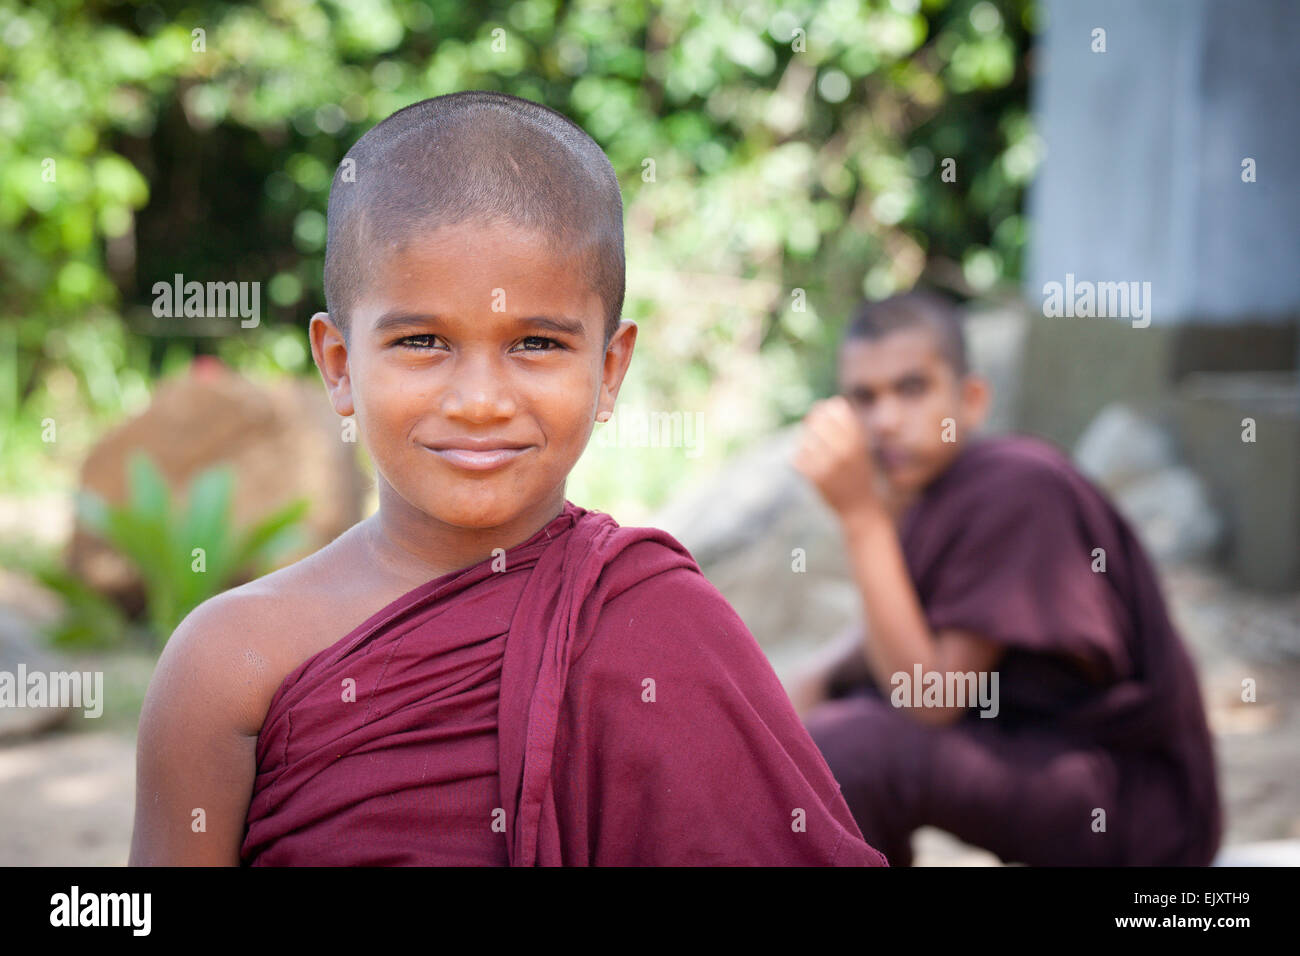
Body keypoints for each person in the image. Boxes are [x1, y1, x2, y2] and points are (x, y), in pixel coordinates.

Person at [129, 91, 887, 867]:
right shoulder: (229, 662)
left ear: (609, 368)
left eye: (536, 344)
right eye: (423, 340)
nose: (482, 402)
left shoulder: (663, 624)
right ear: (339, 366)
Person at [789, 289, 1222, 866]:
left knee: (855, 748)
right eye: (864, 399)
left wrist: (862, 520)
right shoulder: (927, 497)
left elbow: (931, 698)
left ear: (971, 399)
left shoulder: (1017, 488)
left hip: (1140, 813)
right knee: (826, 731)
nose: (886, 421)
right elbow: (869, 656)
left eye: (912, 388)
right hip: (1049, 763)